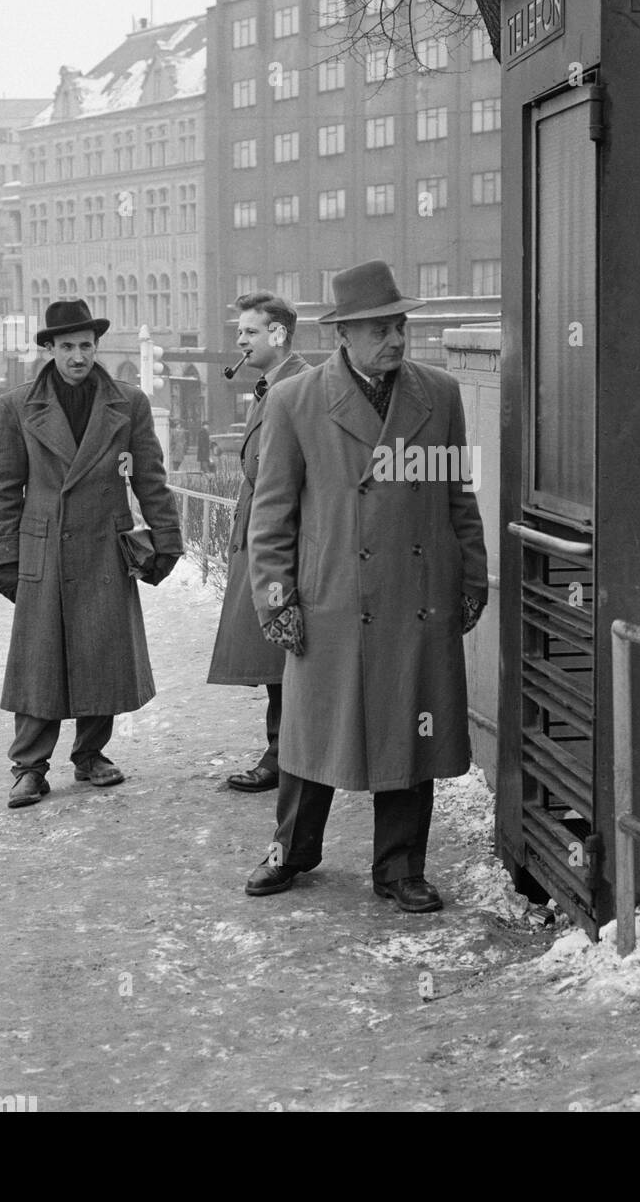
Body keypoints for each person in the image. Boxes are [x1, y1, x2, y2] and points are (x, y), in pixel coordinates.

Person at [245, 261, 487, 913]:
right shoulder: (297, 401)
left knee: (411, 734)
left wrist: (472, 576)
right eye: (381, 328)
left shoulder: (440, 394)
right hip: (330, 603)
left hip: (417, 597)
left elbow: (459, 496)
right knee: (309, 737)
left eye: (400, 325)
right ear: (344, 334)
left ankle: (402, 869)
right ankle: (290, 852)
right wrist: (276, 600)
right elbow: (272, 513)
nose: (397, 338)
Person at [0, 299, 184, 811]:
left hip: (104, 543)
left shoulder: (129, 403)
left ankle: (91, 754)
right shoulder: (16, 406)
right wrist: (5, 557)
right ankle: (29, 767)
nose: (78, 356)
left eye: (86, 346)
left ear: (96, 347)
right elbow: (4, 488)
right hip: (44, 546)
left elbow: (150, 478)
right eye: (67, 346)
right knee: (39, 658)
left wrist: (167, 539)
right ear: (49, 349)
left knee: (102, 650)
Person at [207, 293, 311, 794]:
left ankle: (285, 757)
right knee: (275, 655)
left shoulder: (300, 386)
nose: (241, 341)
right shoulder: (275, 385)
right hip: (266, 534)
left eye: (249, 332)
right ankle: (283, 752)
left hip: (287, 541)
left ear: (278, 334)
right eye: (240, 333)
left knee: (286, 653)